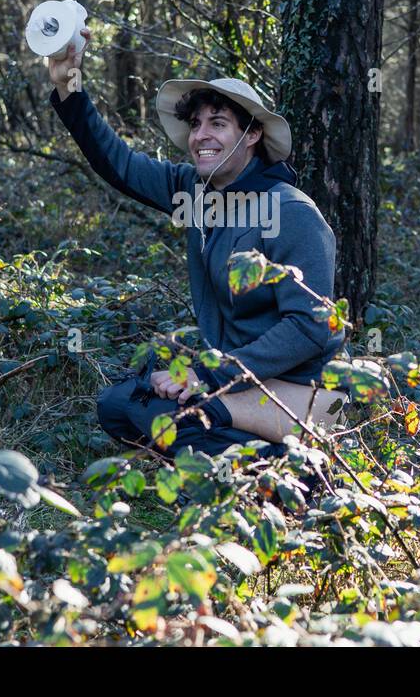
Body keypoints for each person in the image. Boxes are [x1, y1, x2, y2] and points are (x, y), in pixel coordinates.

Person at [46, 28, 348, 461]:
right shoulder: (195, 191)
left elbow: (312, 327)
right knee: (117, 406)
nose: (201, 135)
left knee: (174, 422)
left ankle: (284, 470)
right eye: (196, 124)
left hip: (296, 393)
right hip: (232, 380)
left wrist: (209, 373)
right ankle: (223, 449)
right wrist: (67, 84)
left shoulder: (291, 212)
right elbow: (120, 165)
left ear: (252, 135)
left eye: (218, 123)